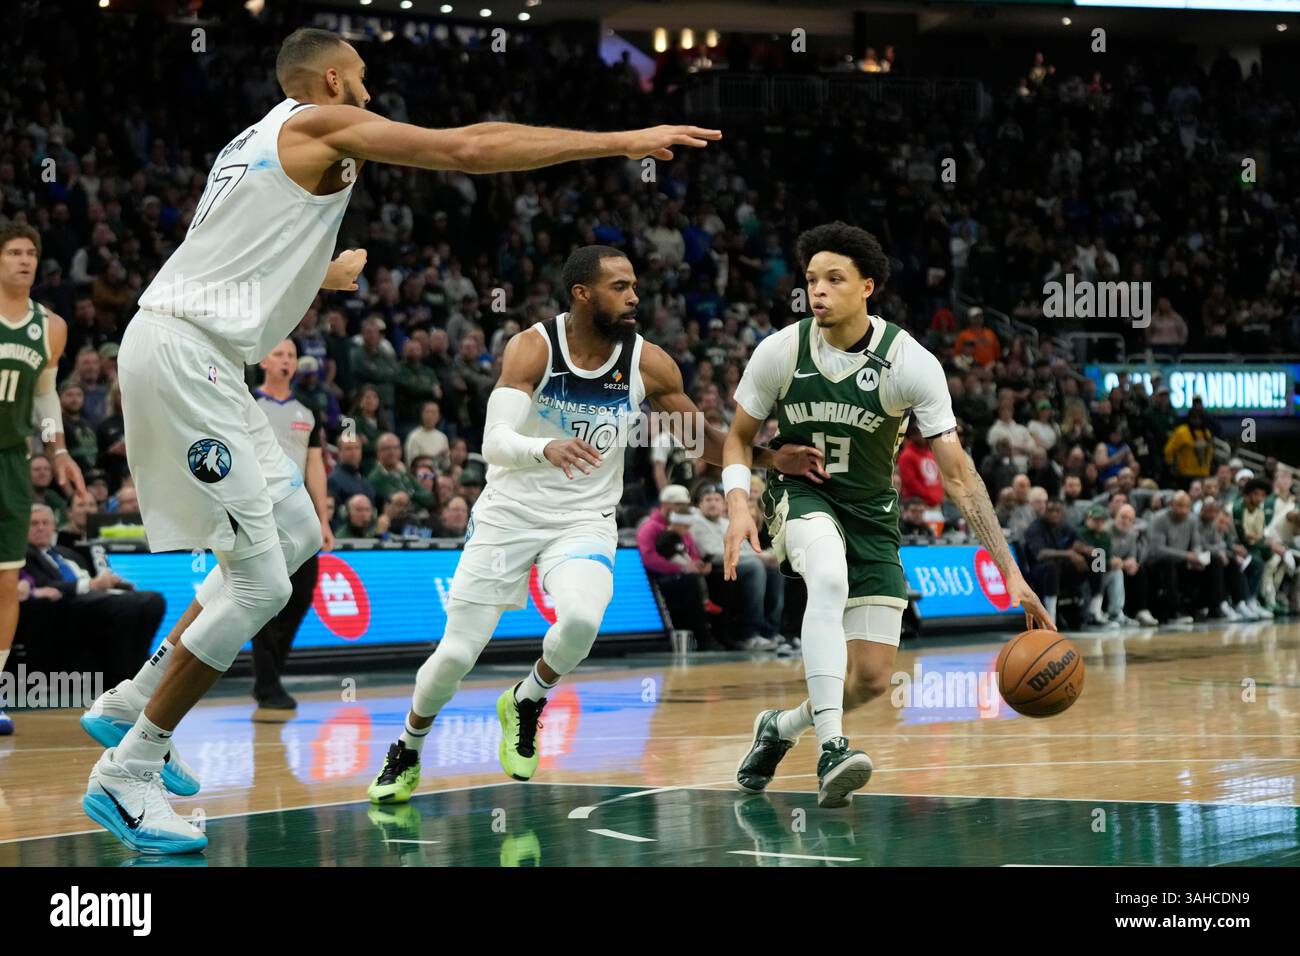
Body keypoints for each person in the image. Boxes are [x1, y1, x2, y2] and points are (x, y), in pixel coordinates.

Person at [77, 25, 725, 854]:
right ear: (335, 80)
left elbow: (233, 261)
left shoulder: (250, 145)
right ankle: (129, 770)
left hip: (202, 356)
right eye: (366, 79)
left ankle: (133, 701)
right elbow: (469, 149)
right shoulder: (317, 121)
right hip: (185, 358)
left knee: (298, 535)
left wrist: (323, 275)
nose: (374, 95)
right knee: (258, 586)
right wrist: (619, 141)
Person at [365, 245, 821, 806]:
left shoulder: (649, 363)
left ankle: (528, 698)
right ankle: (409, 744)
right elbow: (494, 444)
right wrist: (545, 447)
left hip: (584, 517)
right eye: (619, 287)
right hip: (509, 514)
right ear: (582, 294)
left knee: (581, 620)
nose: (634, 297)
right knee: (457, 655)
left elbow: (696, 437)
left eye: (634, 286)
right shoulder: (533, 347)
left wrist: (773, 459)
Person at [721, 222, 1052, 809]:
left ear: (868, 286)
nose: (817, 291)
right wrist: (741, 500)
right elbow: (736, 439)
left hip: (872, 515)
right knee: (825, 576)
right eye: (811, 280)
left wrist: (1013, 574)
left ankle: (780, 729)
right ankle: (832, 750)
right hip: (801, 496)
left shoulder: (910, 363)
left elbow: (960, 477)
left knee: (871, 679)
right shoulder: (779, 351)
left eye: (834, 280)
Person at [0, 223, 87, 737]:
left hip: (11, 460)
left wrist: (56, 449)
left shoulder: (50, 326)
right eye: (13, 252)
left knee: (6, 581)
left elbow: (44, 396)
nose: (24, 260)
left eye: (31, 253)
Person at [248, 339, 334, 720]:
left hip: (297, 513)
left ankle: (270, 677)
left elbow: (314, 465)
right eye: (279, 354)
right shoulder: (247, 402)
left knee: (300, 595)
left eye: (291, 356)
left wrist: (324, 518)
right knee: (265, 598)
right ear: (264, 360)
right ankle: (268, 685)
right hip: (256, 511)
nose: (286, 361)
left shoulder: (307, 409)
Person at [23, 504, 163, 687]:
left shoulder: (67, 554)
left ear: (53, 527)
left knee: (153, 601)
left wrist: (115, 583)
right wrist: (92, 585)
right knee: (127, 607)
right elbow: (45, 585)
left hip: (97, 596)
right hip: (70, 604)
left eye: (45, 523)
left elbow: (91, 577)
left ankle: (138, 667)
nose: (40, 527)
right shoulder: (26, 556)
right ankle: (120, 677)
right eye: (34, 523)